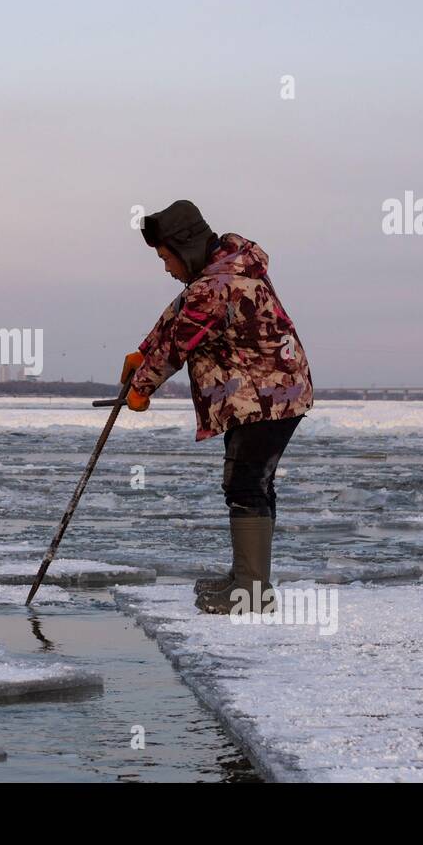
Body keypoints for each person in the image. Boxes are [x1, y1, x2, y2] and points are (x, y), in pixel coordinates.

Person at [122, 200, 313, 615]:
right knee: (253, 482)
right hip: (264, 394)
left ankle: (252, 592)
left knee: (245, 484)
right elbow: (174, 318)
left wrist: (142, 387)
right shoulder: (217, 275)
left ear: (184, 247)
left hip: (267, 397)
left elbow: (179, 342)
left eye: (165, 257)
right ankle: (247, 578)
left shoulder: (217, 286)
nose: (165, 267)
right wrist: (142, 351)